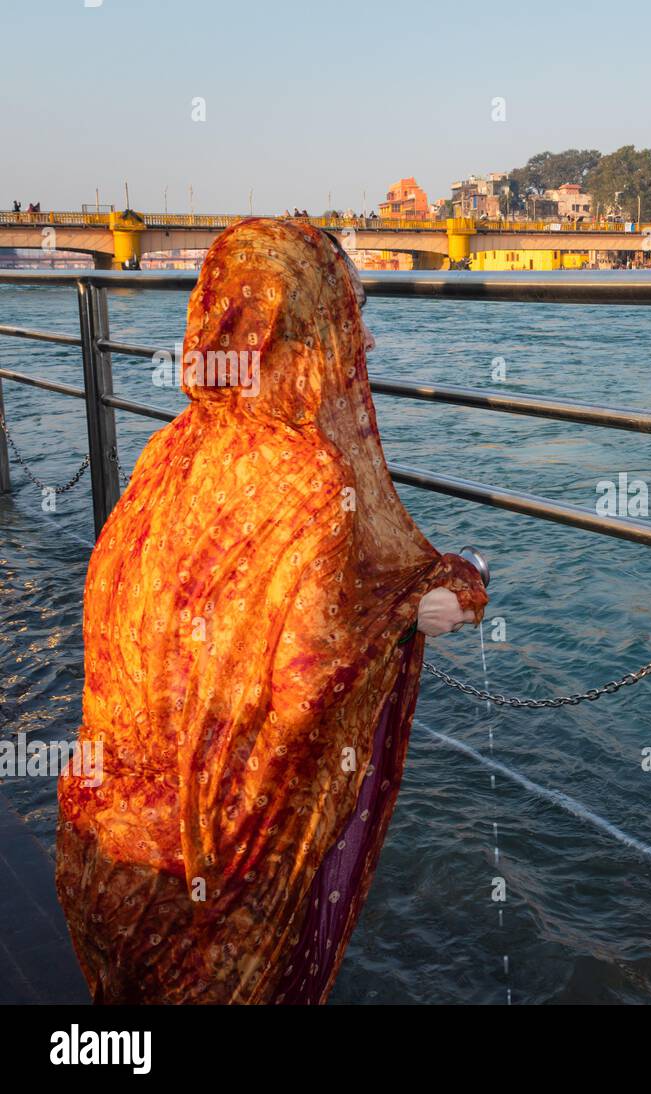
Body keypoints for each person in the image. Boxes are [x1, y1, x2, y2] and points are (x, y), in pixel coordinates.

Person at [55, 218, 488, 1004]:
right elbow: (305, 675)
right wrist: (406, 616)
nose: (363, 345)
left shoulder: (172, 451)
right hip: (206, 880)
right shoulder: (307, 479)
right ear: (313, 328)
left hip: (104, 844)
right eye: (343, 317)